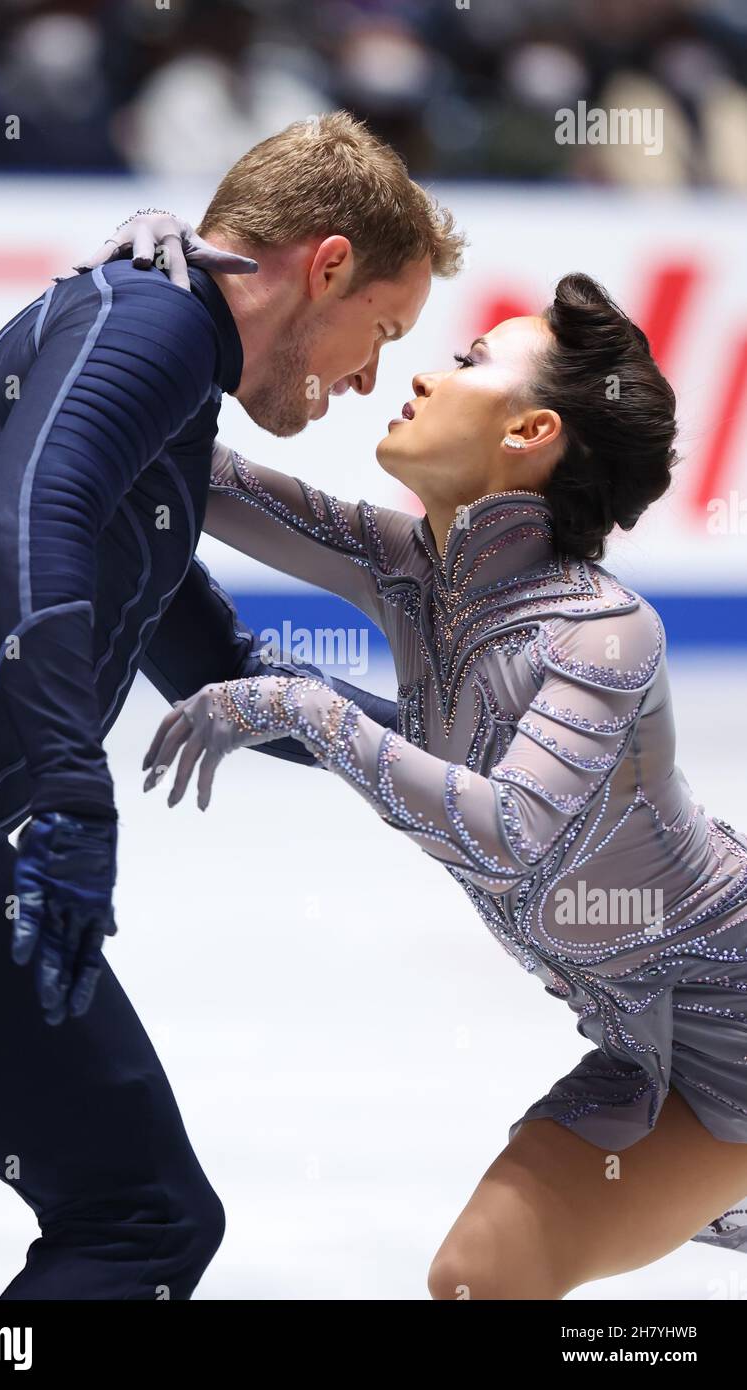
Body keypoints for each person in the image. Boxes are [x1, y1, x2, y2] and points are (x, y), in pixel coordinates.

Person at [0, 113, 459, 1299]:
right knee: (139, 1217)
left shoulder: (167, 371)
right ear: (327, 263)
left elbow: (216, 672)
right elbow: (25, 520)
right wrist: (70, 799)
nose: (362, 379)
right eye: (379, 334)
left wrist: (463, 753)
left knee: (134, 1208)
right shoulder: (149, 321)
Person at [144, 274, 747, 1298]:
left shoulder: (602, 634)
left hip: (730, 1015)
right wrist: (159, 298)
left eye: (467, 362)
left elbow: (509, 830)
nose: (424, 370)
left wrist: (306, 708)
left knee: (482, 1277)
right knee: (479, 1279)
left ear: (530, 431)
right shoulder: (410, 569)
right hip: (631, 1028)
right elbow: (196, 476)